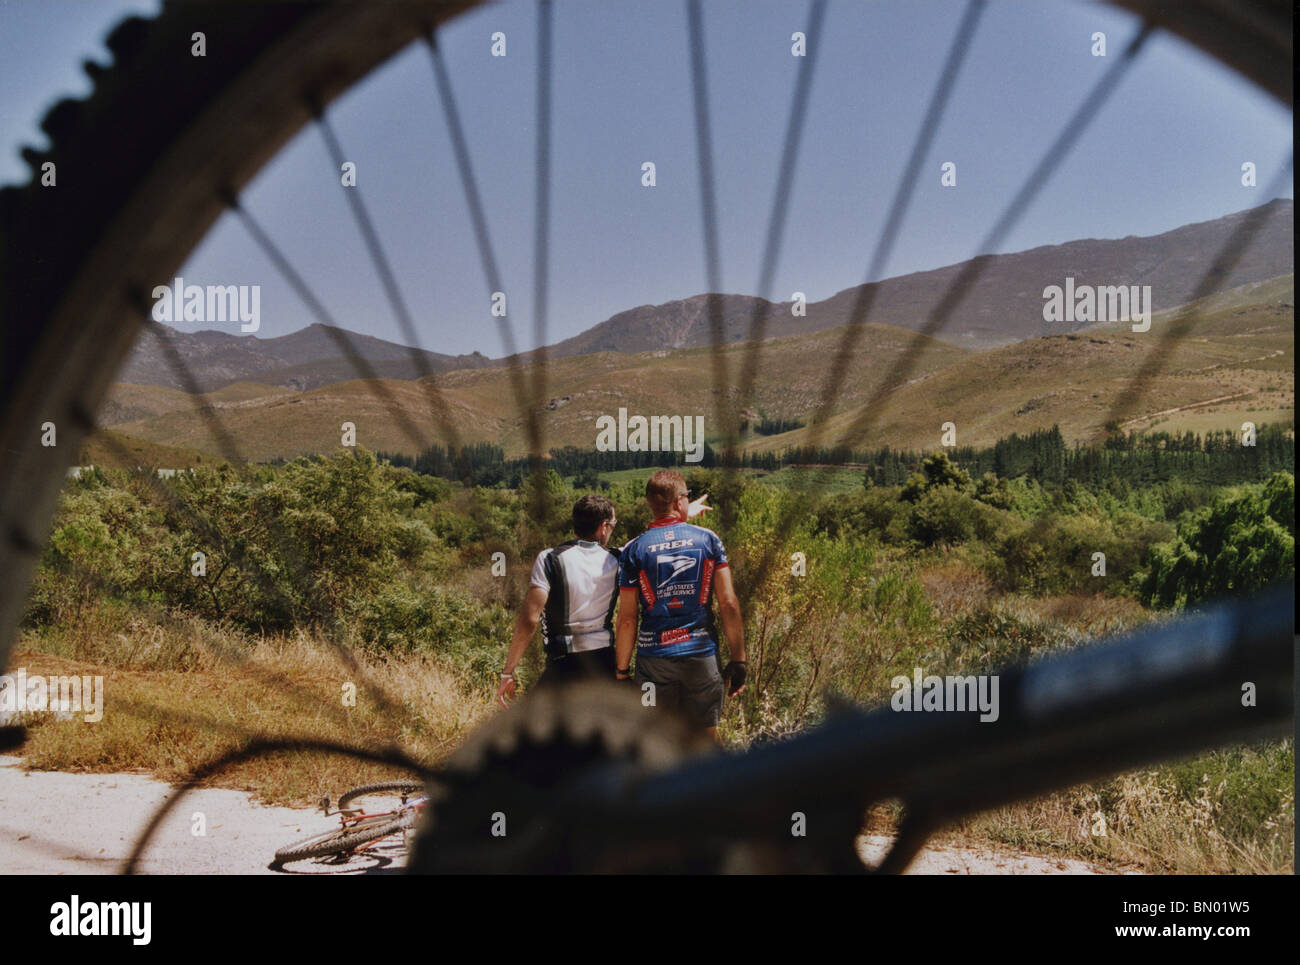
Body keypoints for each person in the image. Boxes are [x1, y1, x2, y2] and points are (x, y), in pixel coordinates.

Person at [615, 469, 746, 740]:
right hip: (700, 654)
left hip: (654, 658)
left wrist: (622, 671)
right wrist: (739, 660)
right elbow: (729, 603)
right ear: (679, 502)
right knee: (706, 738)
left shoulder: (633, 550)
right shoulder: (709, 540)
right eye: (687, 497)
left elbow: (627, 618)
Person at [497, 494, 620, 707]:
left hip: (564, 662)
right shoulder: (618, 558)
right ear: (603, 527)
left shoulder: (550, 558)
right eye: (613, 525)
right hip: (605, 661)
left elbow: (529, 619)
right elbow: (646, 542)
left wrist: (508, 671)